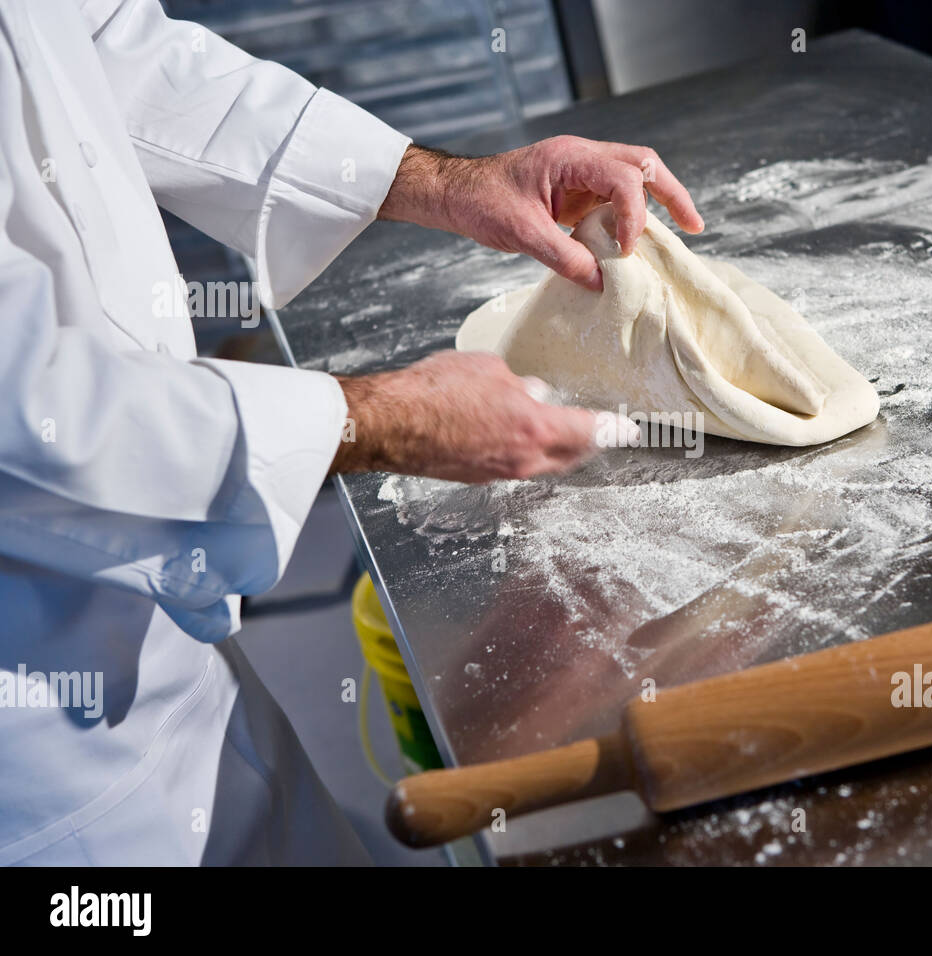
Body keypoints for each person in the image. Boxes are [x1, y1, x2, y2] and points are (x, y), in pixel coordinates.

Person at [0, 0, 702, 865]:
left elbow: (103, 44)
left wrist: (444, 182)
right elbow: (25, 411)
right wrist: (379, 418)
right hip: (40, 769)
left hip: (166, 641)